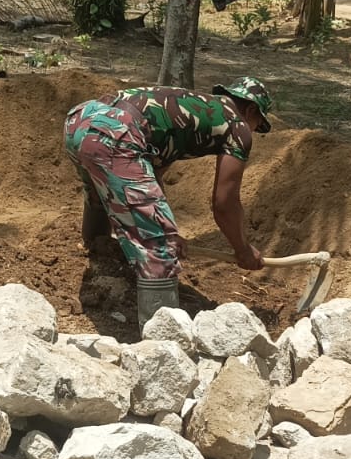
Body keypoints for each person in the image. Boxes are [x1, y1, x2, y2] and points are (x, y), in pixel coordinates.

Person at [63, 77, 274, 324]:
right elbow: (224, 204)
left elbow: (149, 177)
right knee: (157, 246)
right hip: (117, 134)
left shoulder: (191, 108)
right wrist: (243, 249)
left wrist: (168, 230)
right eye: (257, 124)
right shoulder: (236, 126)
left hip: (80, 120)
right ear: (250, 109)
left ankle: (99, 254)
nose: (253, 132)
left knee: (103, 195)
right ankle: (161, 339)